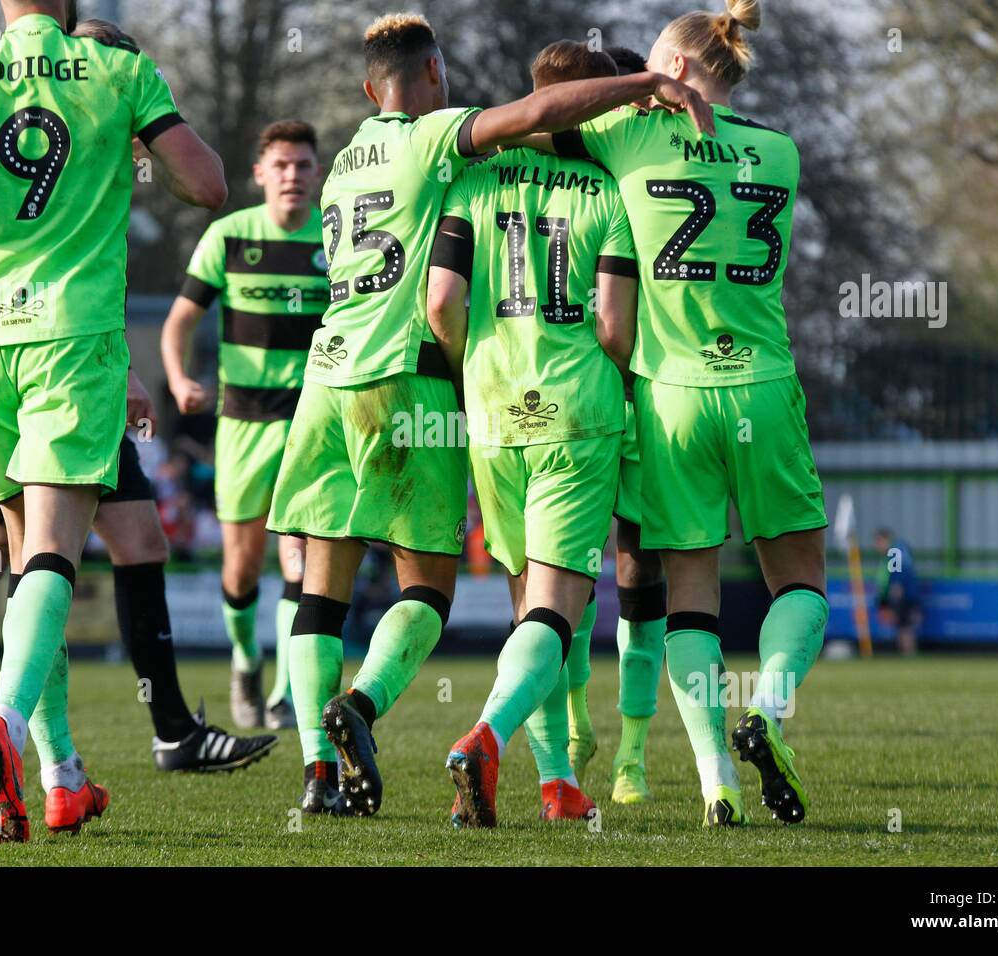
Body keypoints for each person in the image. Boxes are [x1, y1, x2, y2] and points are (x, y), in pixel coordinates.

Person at [265, 11, 713, 817]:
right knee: (463, 593)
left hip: (333, 378)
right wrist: (649, 82)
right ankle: (380, 712)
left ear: (369, 88)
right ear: (433, 75)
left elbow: (444, 292)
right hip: (429, 385)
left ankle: (318, 776)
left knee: (321, 595)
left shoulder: (344, 169)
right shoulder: (452, 143)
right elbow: (536, 138)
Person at [0, 0, 227, 841]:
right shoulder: (118, 68)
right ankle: (6, 728)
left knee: (22, 556)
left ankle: (62, 777)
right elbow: (206, 186)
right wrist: (142, 137)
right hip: (71, 336)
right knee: (55, 552)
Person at [532, 0, 828, 827]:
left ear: (671, 65)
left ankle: (715, 785)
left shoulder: (629, 138)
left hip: (669, 398)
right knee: (798, 581)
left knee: (689, 598)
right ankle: (766, 711)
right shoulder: (780, 150)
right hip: (765, 385)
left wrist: (632, 91)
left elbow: (533, 120)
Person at [428, 39, 638, 827]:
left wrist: (467, 366)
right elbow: (615, 327)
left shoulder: (472, 179)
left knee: (530, 610)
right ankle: (485, 736)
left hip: (491, 413)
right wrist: (620, 372)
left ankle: (556, 783)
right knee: (559, 610)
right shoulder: (608, 191)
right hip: (577, 416)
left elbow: (442, 303)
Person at [0, 368, 278, 777]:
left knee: (137, 543)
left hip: (65, 381)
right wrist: (127, 372)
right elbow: (91, 300)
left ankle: (171, 734)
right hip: (54, 380)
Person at [161, 120, 328, 731]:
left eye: (303, 165)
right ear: (260, 174)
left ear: (317, 173)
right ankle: (243, 659)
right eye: (281, 165)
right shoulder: (228, 237)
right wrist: (180, 380)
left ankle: (286, 692)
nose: (292, 176)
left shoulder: (336, 243)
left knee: (302, 557)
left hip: (311, 424)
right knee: (242, 564)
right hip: (242, 424)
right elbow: (179, 321)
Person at [874, 528, 921, 655]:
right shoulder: (896, 551)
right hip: (904, 595)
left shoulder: (896, 551)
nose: (876, 546)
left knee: (904, 626)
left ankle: (908, 652)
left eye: (878, 542)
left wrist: (897, 587)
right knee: (902, 625)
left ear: (885, 540)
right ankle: (906, 652)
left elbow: (901, 571)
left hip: (903, 596)